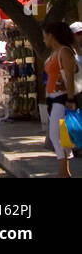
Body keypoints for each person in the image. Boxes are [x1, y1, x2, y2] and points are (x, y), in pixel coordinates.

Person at [43, 21, 77, 178]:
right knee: (59, 136)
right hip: (53, 100)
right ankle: (64, 171)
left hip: (62, 99)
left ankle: (63, 171)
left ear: (51, 35)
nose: (43, 39)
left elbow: (69, 77)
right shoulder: (54, 54)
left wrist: (70, 99)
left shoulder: (64, 52)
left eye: (45, 36)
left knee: (57, 135)